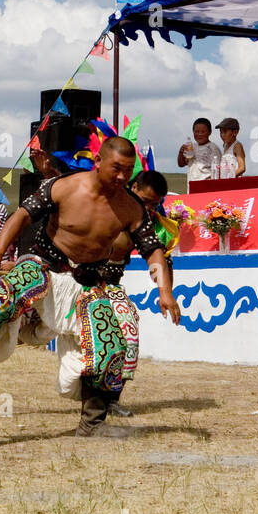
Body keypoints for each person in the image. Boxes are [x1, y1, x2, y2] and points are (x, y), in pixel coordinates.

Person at [0, 137, 180, 436]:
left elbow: (153, 250)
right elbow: (22, 215)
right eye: (116, 168)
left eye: (127, 171)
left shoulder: (130, 208)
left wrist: (165, 291)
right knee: (13, 284)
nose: (121, 177)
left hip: (89, 282)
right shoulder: (64, 187)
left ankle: (92, 425)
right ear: (99, 162)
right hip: (45, 265)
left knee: (111, 342)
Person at [100, 169, 170, 418]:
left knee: (128, 336)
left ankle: (110, 400)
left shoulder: (146, 222)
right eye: (147, 200)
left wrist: (166, 293)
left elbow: (157, 258)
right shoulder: (104, 204)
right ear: (133, 188)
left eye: (155, 204)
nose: (150, 207)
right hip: (78, 281)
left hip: (111, 285)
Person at [177, 118, 221, 188]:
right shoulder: (191, 146)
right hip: (191, 186)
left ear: (210, 132)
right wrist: (180, 152)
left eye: (203, 132)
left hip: (207, 187)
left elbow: (219, 170)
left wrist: (209, 182)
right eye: (196, 131)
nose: (199, 134)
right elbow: (181, 164)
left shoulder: (213, 148)